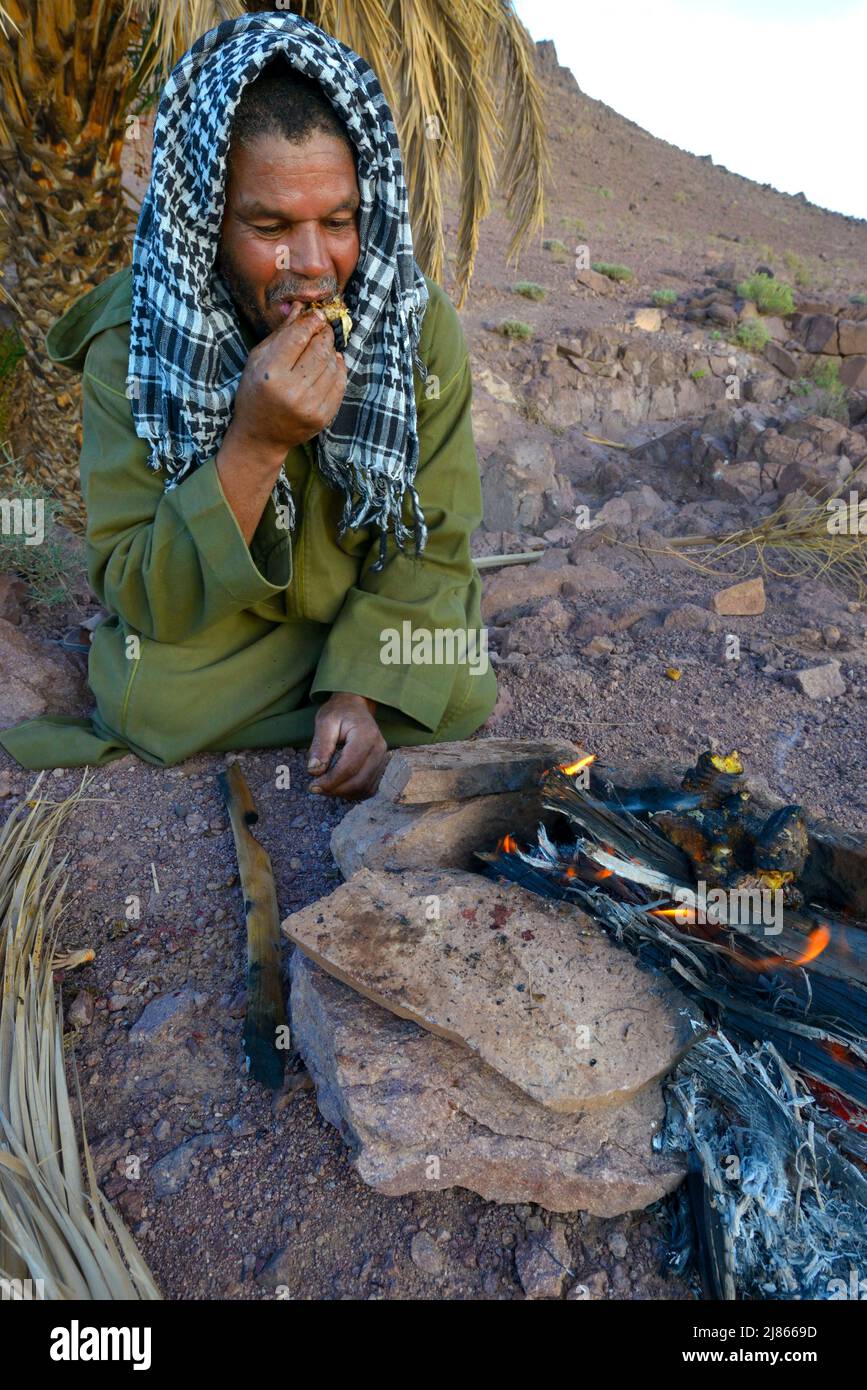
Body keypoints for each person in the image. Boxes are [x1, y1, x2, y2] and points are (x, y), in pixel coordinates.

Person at [0, 13, 496, 799]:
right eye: (268, 226)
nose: (311, 265)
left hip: (358, 621)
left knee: (460, 685)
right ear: (206, 219)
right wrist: (256, 444)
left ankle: (361, 683)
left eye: (338, 223)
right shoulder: (129, 339)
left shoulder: (410, 320)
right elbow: (137, 590)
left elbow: (432, 534)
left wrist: (360, 688)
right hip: (209, 645)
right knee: (150, 701)